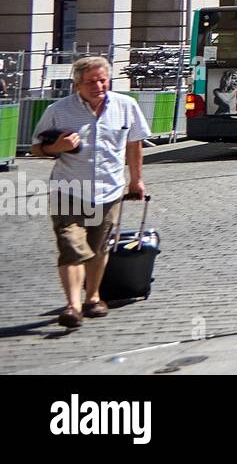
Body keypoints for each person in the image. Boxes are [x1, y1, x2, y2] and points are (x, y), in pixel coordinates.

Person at [30, 56, 149, 329]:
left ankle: (93, 297)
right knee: (70, 245)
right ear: (77, 85)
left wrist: (136, 180)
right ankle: (73, 306)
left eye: (103, 80)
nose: (98, 86)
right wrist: (56, 147)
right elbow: (36, 147)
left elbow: (134, 145)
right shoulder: (59, 110)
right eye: (91, 81)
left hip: (109, 189)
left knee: (97, 247)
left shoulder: (125, 106)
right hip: (69, 189)